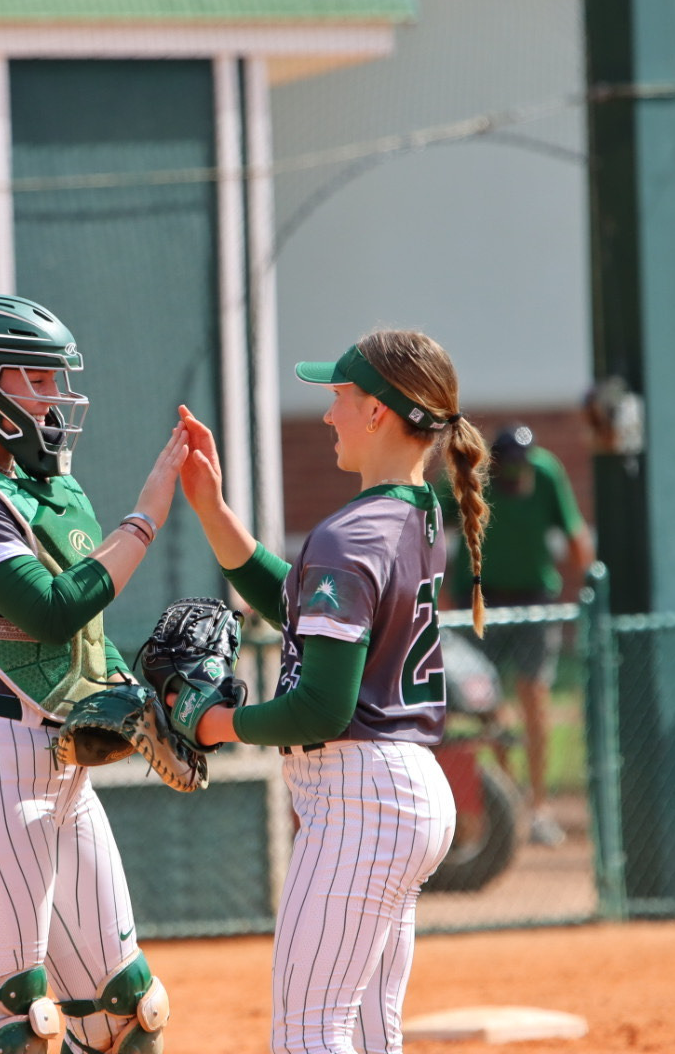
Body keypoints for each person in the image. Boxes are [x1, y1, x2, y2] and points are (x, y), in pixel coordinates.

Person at [172, 329, 489, 1054]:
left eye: (339, 396)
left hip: (363, 799)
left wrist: (213, 723)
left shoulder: (352, 533)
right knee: (371, 1029)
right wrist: (214, 513)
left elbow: (320, 707)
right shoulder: (413, 511)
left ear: (378, 411)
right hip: (401, 789)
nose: (327, 413)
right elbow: (298, 595)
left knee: (309, 1030)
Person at [0, 292, 188, 1054]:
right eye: (35, 378)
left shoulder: (47, 487)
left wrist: (136, 693)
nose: (55, 396)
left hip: (53, 755)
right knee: (11, 1027)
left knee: (127, 1012)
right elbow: (53, 610)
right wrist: (146, 517)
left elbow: (81, 635)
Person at [439, 422, 593, 847]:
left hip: (533, 597)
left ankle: (539, 805)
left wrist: (593, 588)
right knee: (483, 699)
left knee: (534, 693)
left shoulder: (546, 473)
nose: (518, 476)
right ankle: (507, 795)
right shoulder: (473, 474)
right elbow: (430, 519)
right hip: (480, 598)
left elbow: (575, 534)